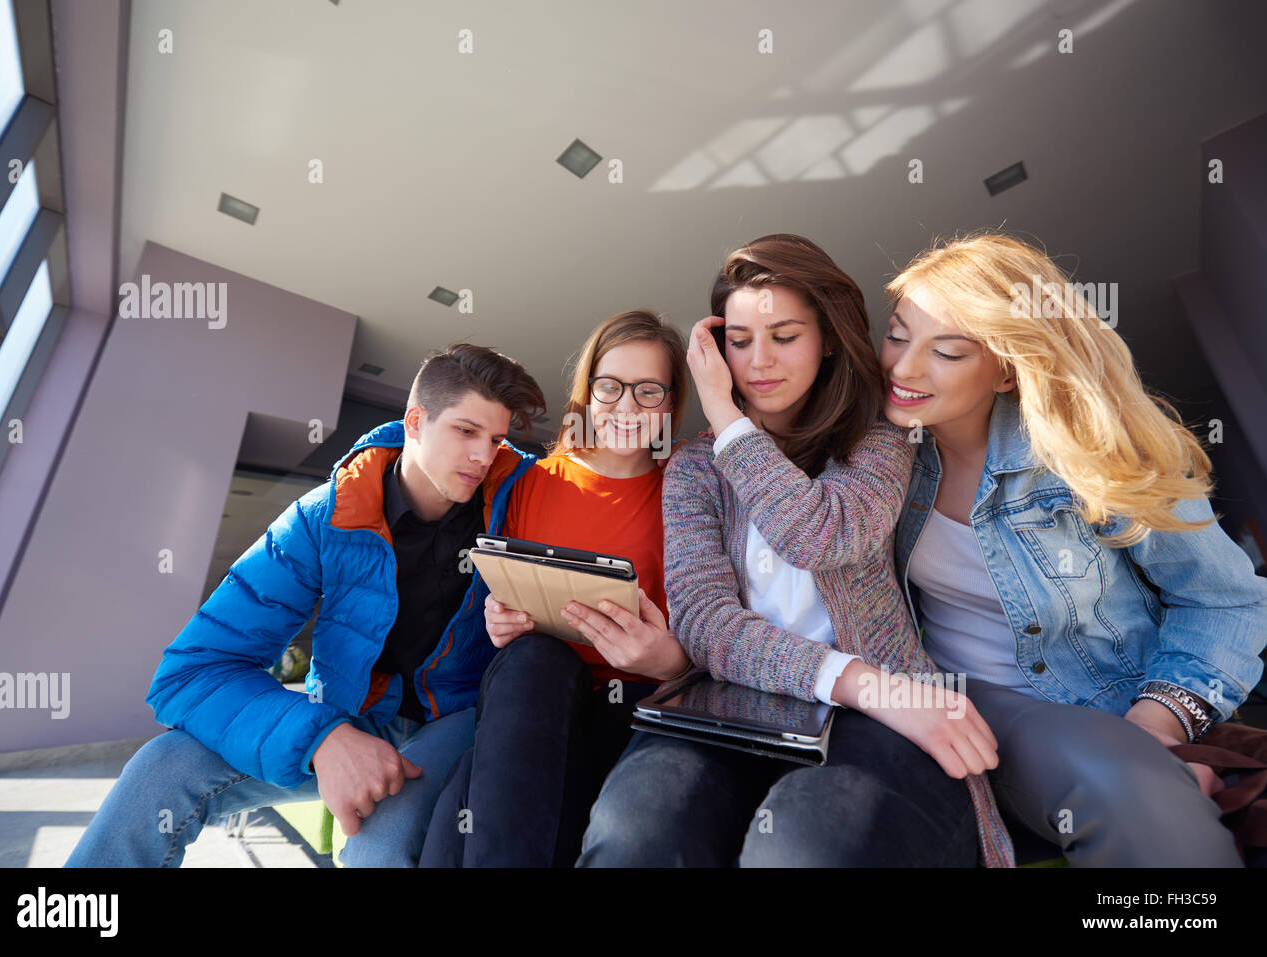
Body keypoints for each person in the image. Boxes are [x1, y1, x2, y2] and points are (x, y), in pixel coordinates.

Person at [578, 234, 1015, 868]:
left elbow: (821, 536)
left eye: (784, 337)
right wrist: (860, 683)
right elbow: (703, 621)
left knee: (804, 847)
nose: (759, 362)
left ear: (828, 338)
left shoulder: (880, 437)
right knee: (635, 834)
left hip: (877, 712)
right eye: (740, 340)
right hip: (745, 696)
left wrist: (729, 425)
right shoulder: (696, 466)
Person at [66, 343, 546, 867]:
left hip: (456, 721)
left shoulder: (524, 502)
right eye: (465, 431)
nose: (483, 455)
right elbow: (190, 673)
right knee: (162, 766)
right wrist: (322, 736)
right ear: (415, 421)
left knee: (380, 846)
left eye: (496, 438)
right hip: (350, 718)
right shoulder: (323, 518)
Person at [879, 231, 1267, 866]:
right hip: (944, 709)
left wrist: (1152, 730)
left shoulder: (1098, 455)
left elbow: (1224, 601)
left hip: (1099, 718)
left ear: (1006, 368)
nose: (902, 368)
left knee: (1152, 814)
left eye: (945, 351)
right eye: (897, 334)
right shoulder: (883, 457)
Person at [420, 310, 691, 867]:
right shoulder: (533, 480)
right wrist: (501, 619)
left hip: (632, 701)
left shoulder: (686, 491)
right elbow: (505, 584)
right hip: (531, 699)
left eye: (649, 391)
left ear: (670, 404)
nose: (626, 406)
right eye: (610, 386)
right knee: (534, 663)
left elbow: (711, 626)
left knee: (473, 827)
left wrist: (672, 661)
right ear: (587, 390)